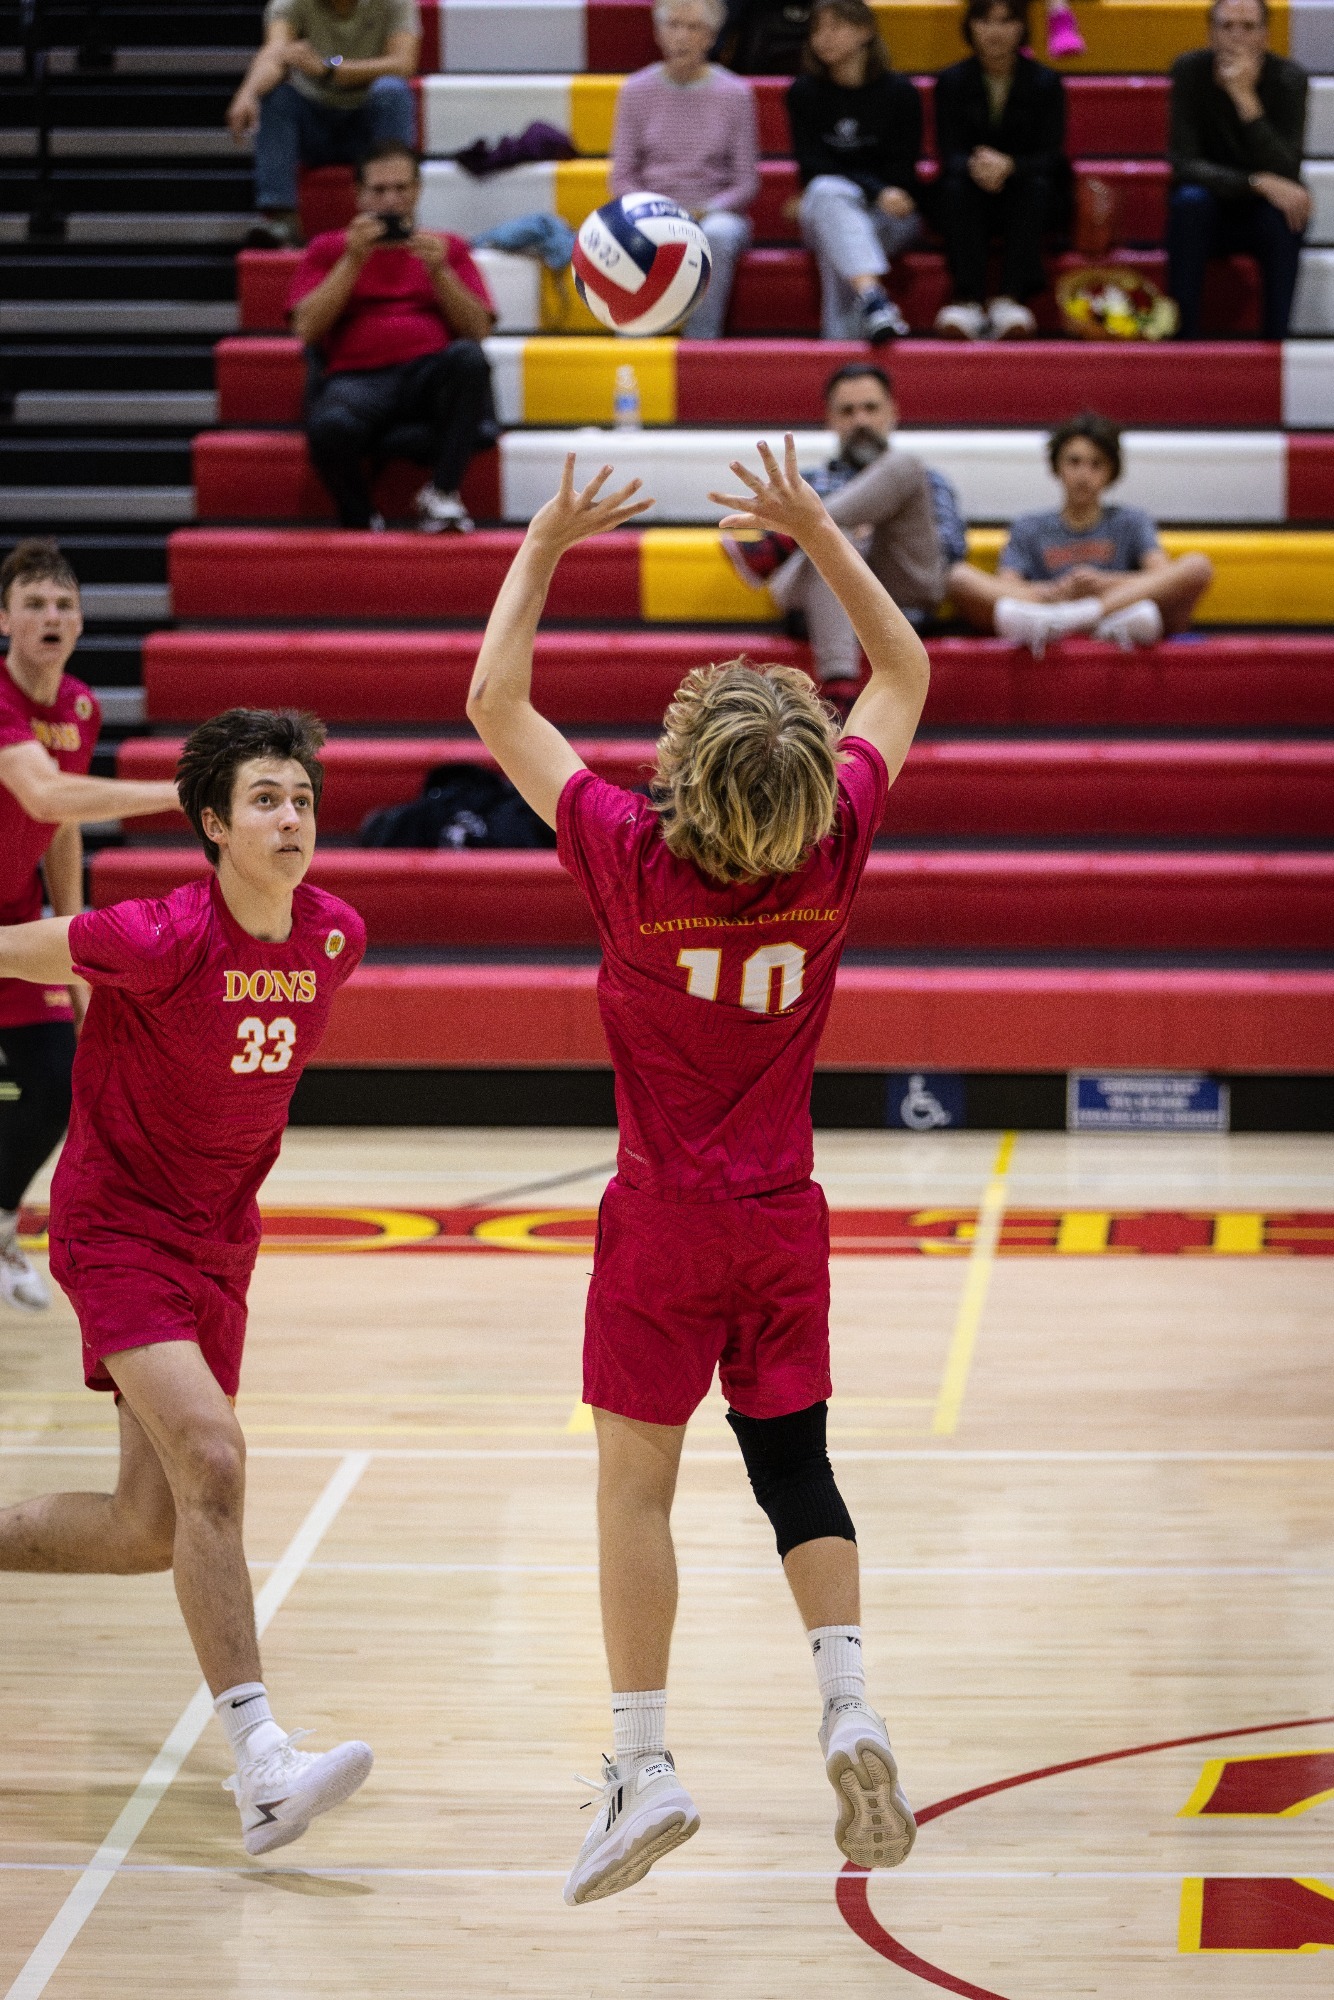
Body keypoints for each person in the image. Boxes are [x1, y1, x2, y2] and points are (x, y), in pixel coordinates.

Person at [466, 440, 927, 1906]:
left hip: (660, 1220)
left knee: (635, 1488)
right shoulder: (832, 849)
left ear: (685, 769)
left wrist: (543, 542)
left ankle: (642, 1764)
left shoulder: (627, 855)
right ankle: (846, 1702)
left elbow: (494, 704)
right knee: (796, 1466)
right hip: (782, 1221)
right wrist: (815, 531)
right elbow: (904, 672)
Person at [0, 707, 374, 1856]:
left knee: (146, 1526)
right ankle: (263, 1763)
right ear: (212, 824)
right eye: (264, 798)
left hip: (221, 1244)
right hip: (118, 1230)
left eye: (301, 798)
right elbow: (16, 946)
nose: (291, 816)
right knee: (213, 1455)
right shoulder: (156, 934)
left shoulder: (334, 935)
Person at [0, 540, 182, 1313]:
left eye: (63, 605)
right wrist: (179, 793)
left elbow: (61, 822)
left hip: (16, 922)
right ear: (5, 619)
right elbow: (44, 795)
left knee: (55, 1083)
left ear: (79, 622)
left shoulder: (79, 705)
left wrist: (72, 939)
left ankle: (1, 1228)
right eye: (34, 603)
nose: (51, 616)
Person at [723, 363, 963, 703]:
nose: (860, 420)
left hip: (900, 584)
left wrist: (845, 526)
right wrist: (840, 535)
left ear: (893, 412)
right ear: (830, 419)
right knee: (834, 544)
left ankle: (777, 546)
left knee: (904, 467)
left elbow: (949, 552)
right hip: (815, 592)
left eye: (871, 408)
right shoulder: (807, 481)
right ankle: (841, 693)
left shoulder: (928, 480)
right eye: (848, 411)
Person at [289, 140, 496, 533]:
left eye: (401, 189)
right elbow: (306, 329)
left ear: (417, 191)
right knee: (328, 426)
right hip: (357, 381)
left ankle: (442, 493)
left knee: (469, 360)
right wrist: (352, 260)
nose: (391, 201)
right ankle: (360, 516)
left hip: (428, 377)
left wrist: (440, 273)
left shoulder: (447, 248)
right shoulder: (328, 249)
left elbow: (478, 330)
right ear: (359, 195)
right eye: (379, 190)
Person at [948, 409, 1214, 652]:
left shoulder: (1132, 521)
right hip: (1053, 608)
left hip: (1110, 608)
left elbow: (1161, 577)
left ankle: (1073, 619)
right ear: (1057, 467)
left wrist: (1103, 584)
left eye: (1096, 464)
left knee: (1198, 566)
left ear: (1111, 472)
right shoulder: (1028, 525)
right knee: (957, 577)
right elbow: (1008, 588)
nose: (1084, 475)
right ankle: (1087, 620)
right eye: (1074, 462)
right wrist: (1057, 591)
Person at [609, 0, 759, 341]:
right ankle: (633, 341)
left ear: (711, 37)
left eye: (694, 28)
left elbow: (746, 183)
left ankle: (700, 342)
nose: (682, 36)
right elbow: (622, 177)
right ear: (658, 33)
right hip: (651, 211)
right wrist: (658, 212)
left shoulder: (736, 94)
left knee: (717, 234)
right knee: (629, 233)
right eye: (673, 26)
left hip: (714, 212)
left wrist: (705, 210)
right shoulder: (635, 91)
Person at [1167, 0, 1309, 340]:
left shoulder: (1289, 78)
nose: (1236, 36)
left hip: (1261, 213)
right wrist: (1255, 182)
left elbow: (1285, 167)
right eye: (1226, 26)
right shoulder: (1189, 71)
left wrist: (1245, 98)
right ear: (1211, 34)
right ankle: (1182, 340)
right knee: (1189, 201)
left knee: (1288, 209)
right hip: (1208, 207)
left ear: (1265, 36)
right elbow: (1184, 163)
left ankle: (1276, 343)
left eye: (1247, 27)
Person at [228, 0, 420, 248]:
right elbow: (274, 54)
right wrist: (248, 92)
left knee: (392, 90)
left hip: (369, 126)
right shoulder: (290, 4)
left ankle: (392, 217)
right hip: (314, 125)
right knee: (276, 96)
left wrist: (330, 67)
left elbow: (403, 63)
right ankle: (282, 221)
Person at [932, 0, 1071, 340]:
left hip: (1025, 187)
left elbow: (1050, 155)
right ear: (970, 26)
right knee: (955, 187)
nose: (995, 32)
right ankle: (966, 299)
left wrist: (1010, 166)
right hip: (970, 185)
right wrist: (977, 166)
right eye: (985, 21)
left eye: (1006, 21)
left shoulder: (1046, 82)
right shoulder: (950, 81)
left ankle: (1011, 298)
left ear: (1022, 27)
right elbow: (949, 152)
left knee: (1036, 187)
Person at [787, 0, 923, 342]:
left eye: (835, 27)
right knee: (828, 194)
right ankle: (874, 300)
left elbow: (902, 174)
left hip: (889, 215)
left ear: (865, 31)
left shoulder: (901, 93)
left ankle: (850, 340)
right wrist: (876, 189)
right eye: (817, 29)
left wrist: (881, 194)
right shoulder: (803, 92)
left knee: (838, 232)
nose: (823, 38)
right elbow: (813, 168)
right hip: (830, 203)